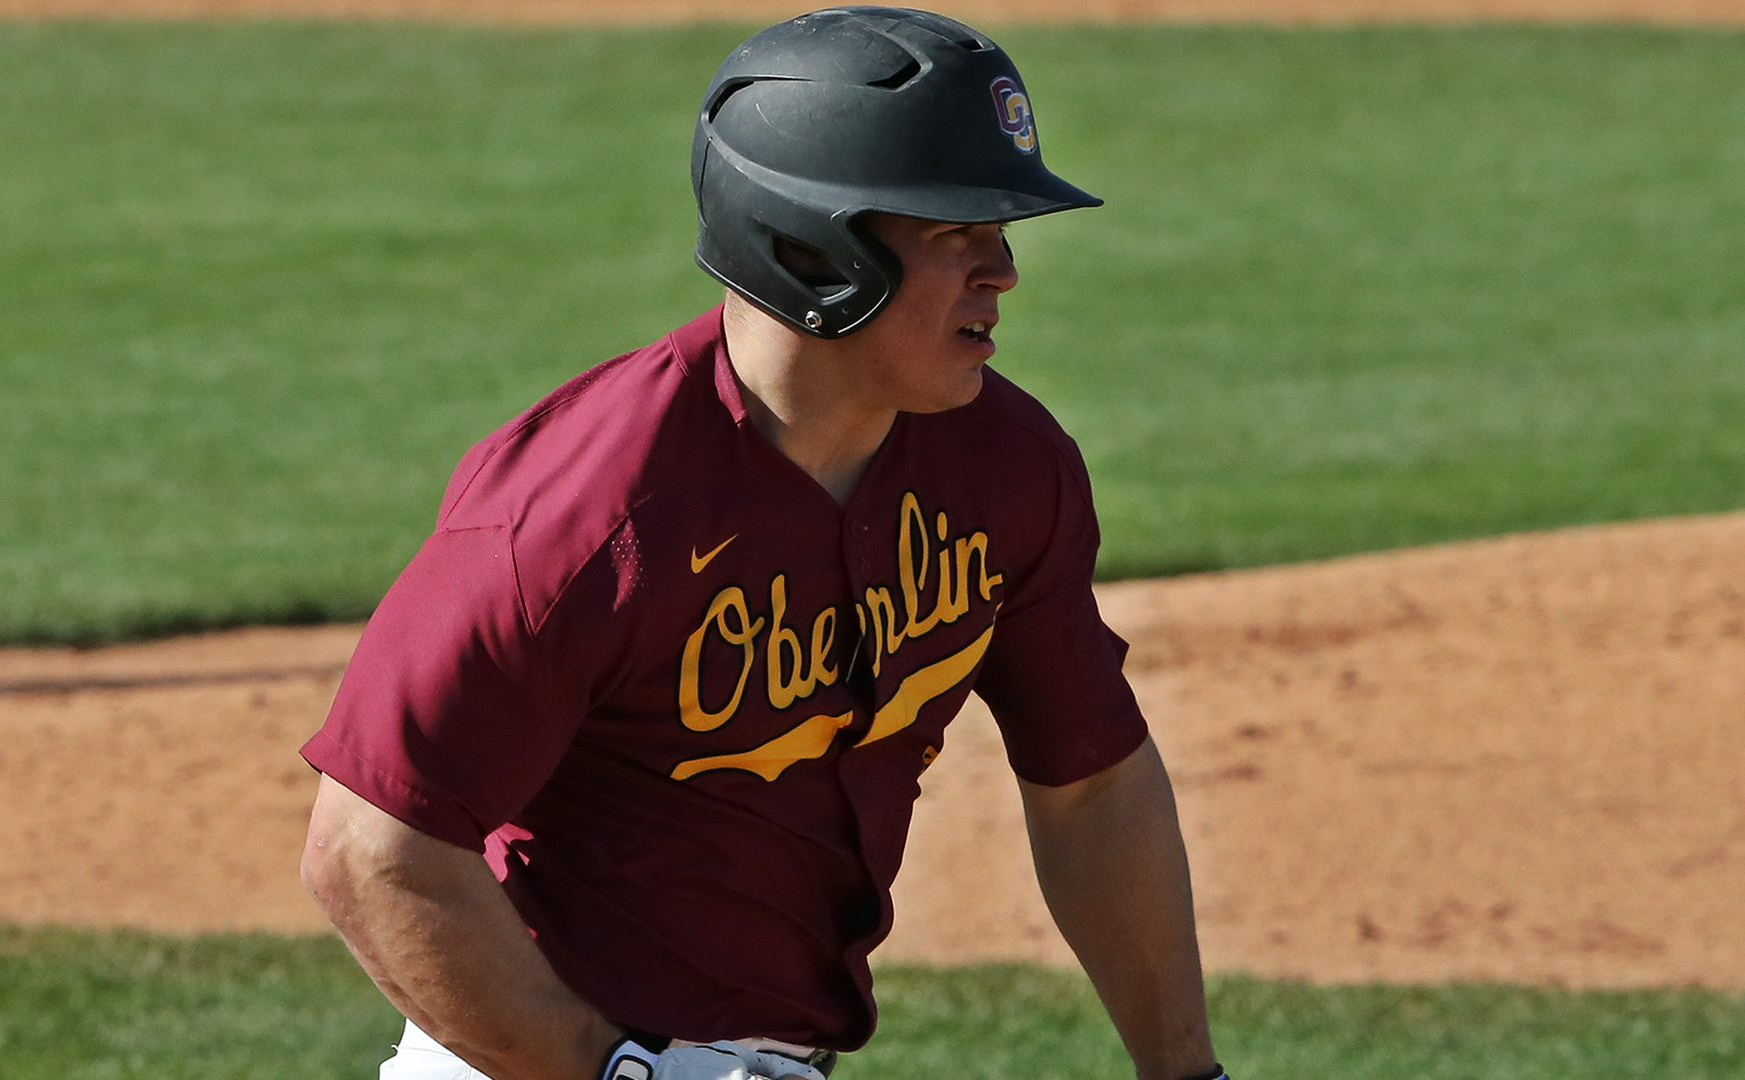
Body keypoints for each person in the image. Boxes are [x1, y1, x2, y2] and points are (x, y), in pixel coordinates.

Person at [299, 8, 1227, 1080]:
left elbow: (1093, 783)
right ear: (808, 246)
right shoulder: (581, 516)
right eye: (953, 231)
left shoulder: (1007, 468)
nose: (1003, 269)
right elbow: (369, 851)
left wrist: (1187, 1074)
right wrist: (611, 1069)